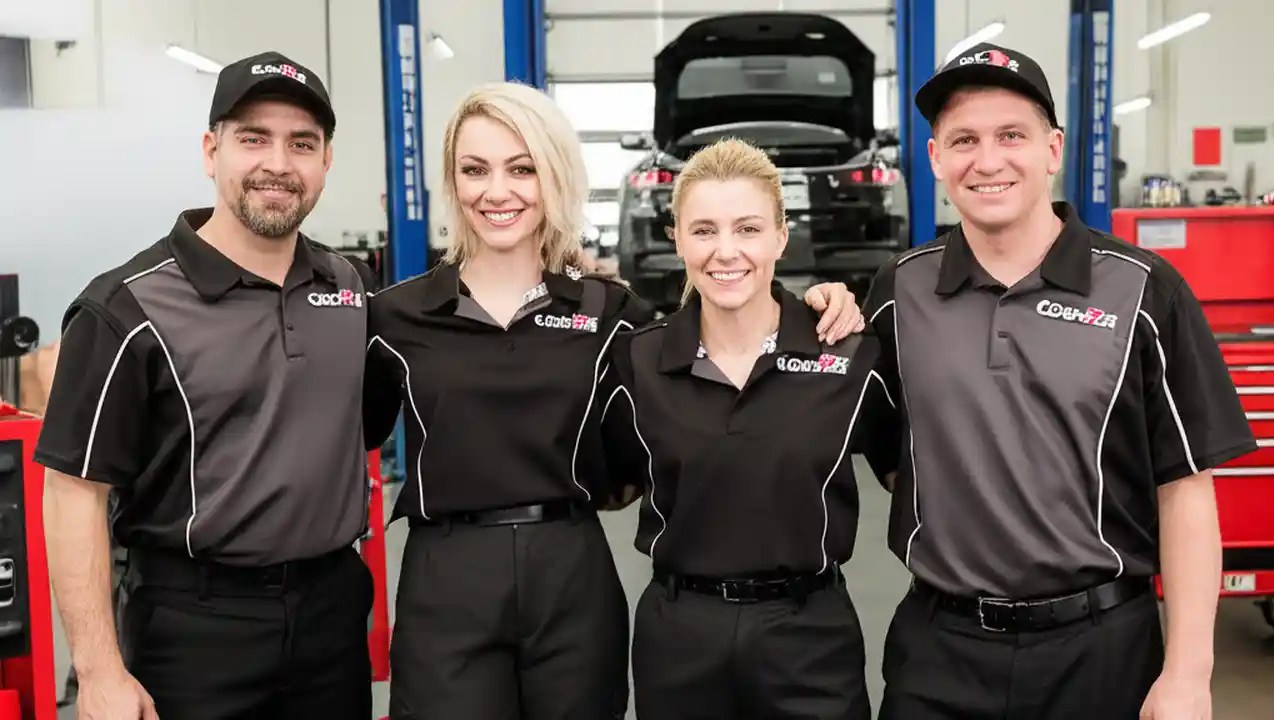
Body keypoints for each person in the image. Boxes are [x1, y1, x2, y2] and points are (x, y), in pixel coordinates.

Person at [362, 82, 863, 720]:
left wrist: (815, 302)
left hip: (569, 570)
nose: (497, 191)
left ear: (553, 176)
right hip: (446, 574)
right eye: (474, 169)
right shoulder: (395, 315)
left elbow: (716, 325)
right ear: (451, 181)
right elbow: (352, 433)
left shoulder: (611, 315)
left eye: (523, 168)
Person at [863, 43, 1256, 720]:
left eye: (1010, 135)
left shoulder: (1143, 290)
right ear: (934, 160)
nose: (987, 161)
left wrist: (1190, 671)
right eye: (963, 140)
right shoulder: (899, 291)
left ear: (1052, 149)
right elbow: (890, 451)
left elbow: (1186, 490)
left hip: (1102, 650)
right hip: (938, 652)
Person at [36, 51, 377, 719]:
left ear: (326, 162)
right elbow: (73, 492)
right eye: (254, 138)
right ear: (211, 150)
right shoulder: (125, 310)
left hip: (333, 617)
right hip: (194, 629)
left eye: (302, 143)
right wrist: (99, 672)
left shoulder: (349, 289)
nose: (278, 163)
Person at [598, 138, 898, 719]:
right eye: (704, 230)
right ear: (676, 237)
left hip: (809, 638)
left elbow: (899, 468)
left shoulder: (850, 356)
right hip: (680, 638)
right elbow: (615, 483)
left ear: (781, 237)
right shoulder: (637, 361)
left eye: (748, 229)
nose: (726, 251)